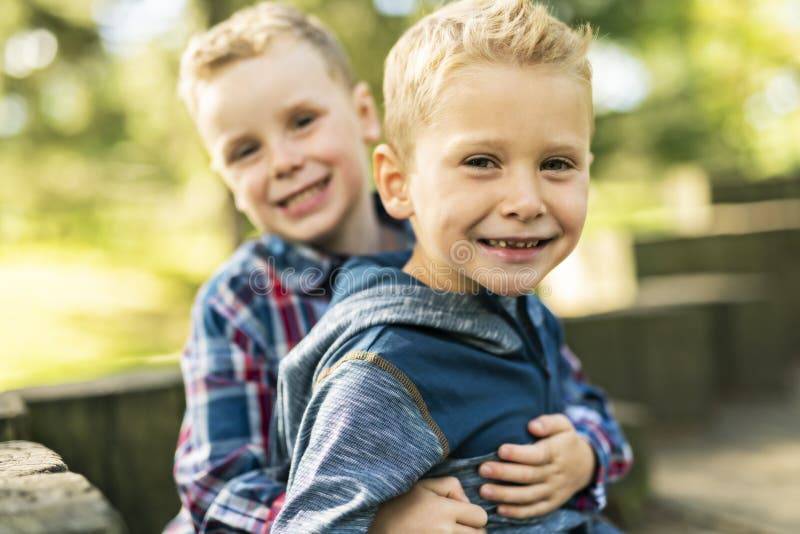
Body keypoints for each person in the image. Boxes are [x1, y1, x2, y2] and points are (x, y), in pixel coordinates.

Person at [167, 2, 631, 532]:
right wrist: (374, 519)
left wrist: (585, 452)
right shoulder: (240, 301)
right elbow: (215, 485)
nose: (284, 160)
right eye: (246, 150)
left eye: (302, 122)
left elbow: (564, 386)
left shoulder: (471, 248)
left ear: (364, 113)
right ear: (223, 173)